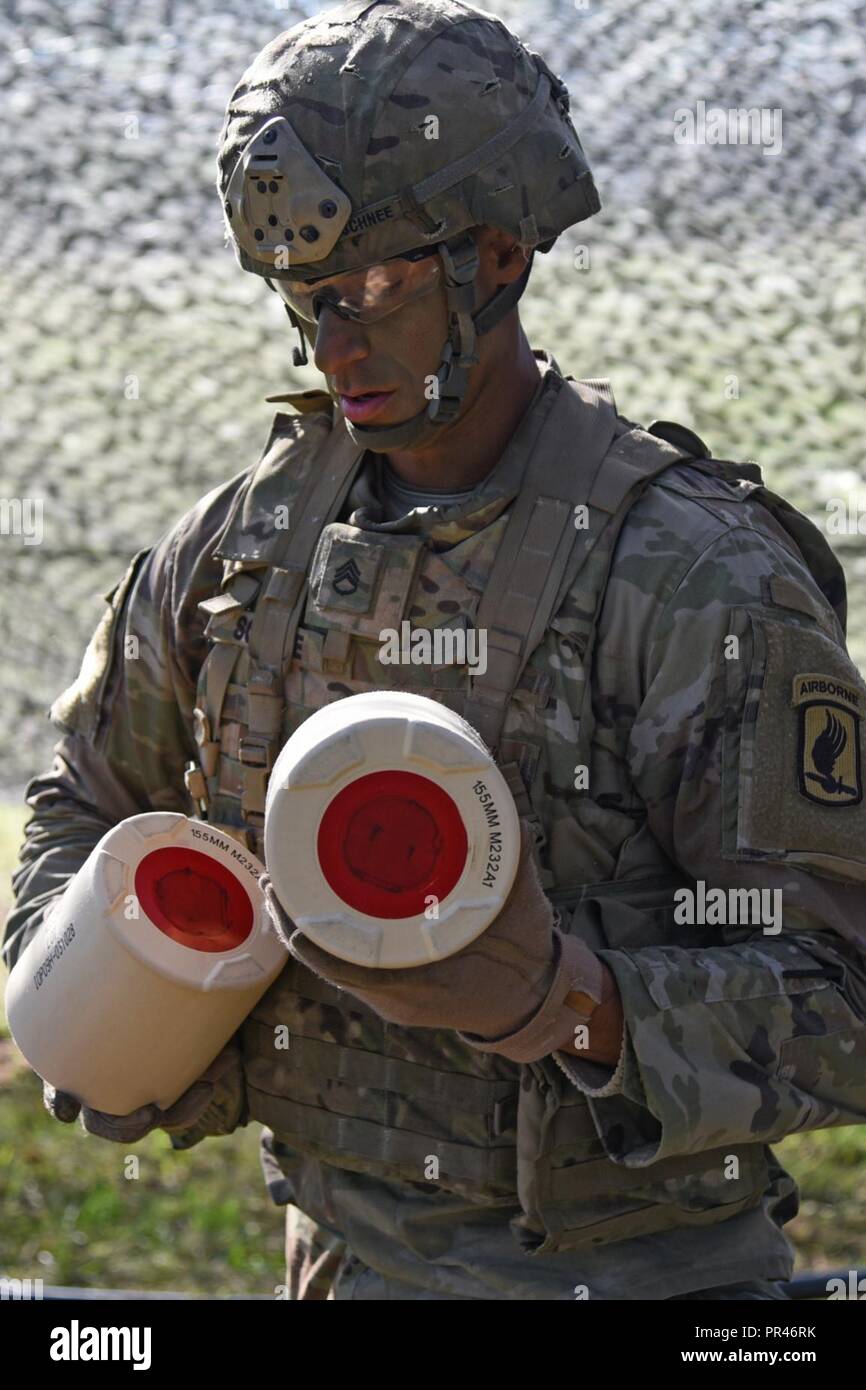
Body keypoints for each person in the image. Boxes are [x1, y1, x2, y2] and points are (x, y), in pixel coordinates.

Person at [5, 0, 866, 1301]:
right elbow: (86, 798)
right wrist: (83, 981)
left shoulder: (688, 579)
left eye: (368, 290)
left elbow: (841, 993)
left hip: (643, 1287)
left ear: (499, 257)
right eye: (301, 299)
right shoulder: (244, 548)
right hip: (339, 1269)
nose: (328, 343)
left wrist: (570, 1003)